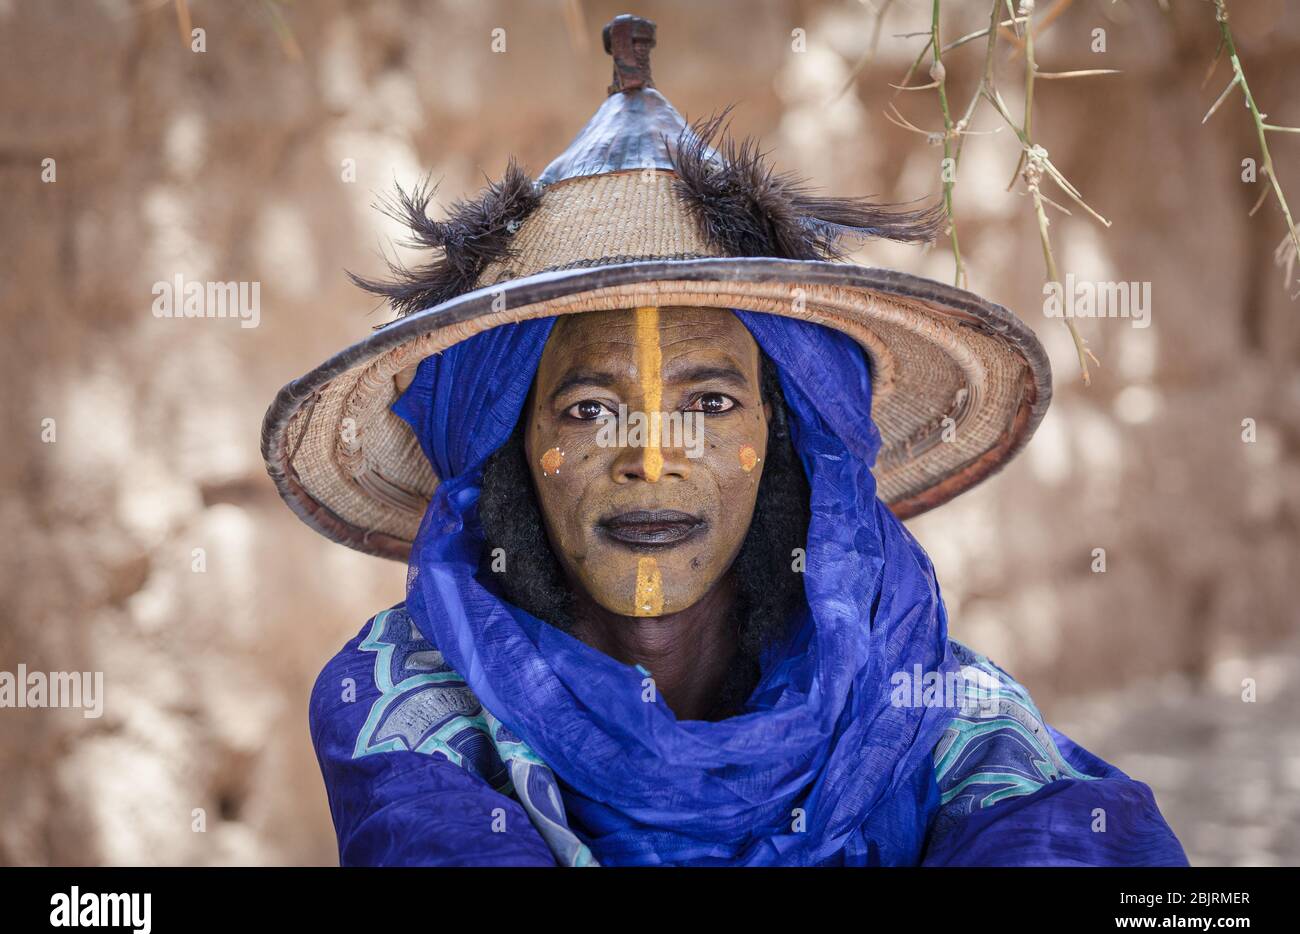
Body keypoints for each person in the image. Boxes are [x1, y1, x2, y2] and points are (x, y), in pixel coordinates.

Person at [263, 16, 1187, 866]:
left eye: (708, 405)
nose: (652, 458)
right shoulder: (407, 699)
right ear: (509, 451)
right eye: (588, 409)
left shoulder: (908, 693)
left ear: (784, 442)